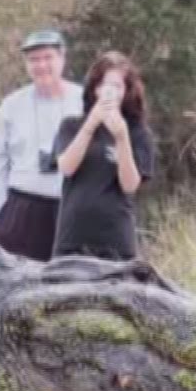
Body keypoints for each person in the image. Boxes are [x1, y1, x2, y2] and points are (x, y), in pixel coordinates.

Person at [0, 29, 83, 261]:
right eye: (33, 60)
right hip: (23, 209)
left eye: (47, 58)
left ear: (62, 58)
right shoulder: (11, 105)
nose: (41, 66)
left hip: (72, 207)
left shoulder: (83, 100)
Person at [51, 51, 157, 260]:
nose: (110, 92)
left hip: (116, 240)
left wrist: (122, 137)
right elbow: (66, 167)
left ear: (127, 91)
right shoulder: (71, 125)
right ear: (95, 89)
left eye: (117, 86)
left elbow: (130, 185)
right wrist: (91, 125)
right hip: (73, 238)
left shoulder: (138, 132)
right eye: (105, 85)